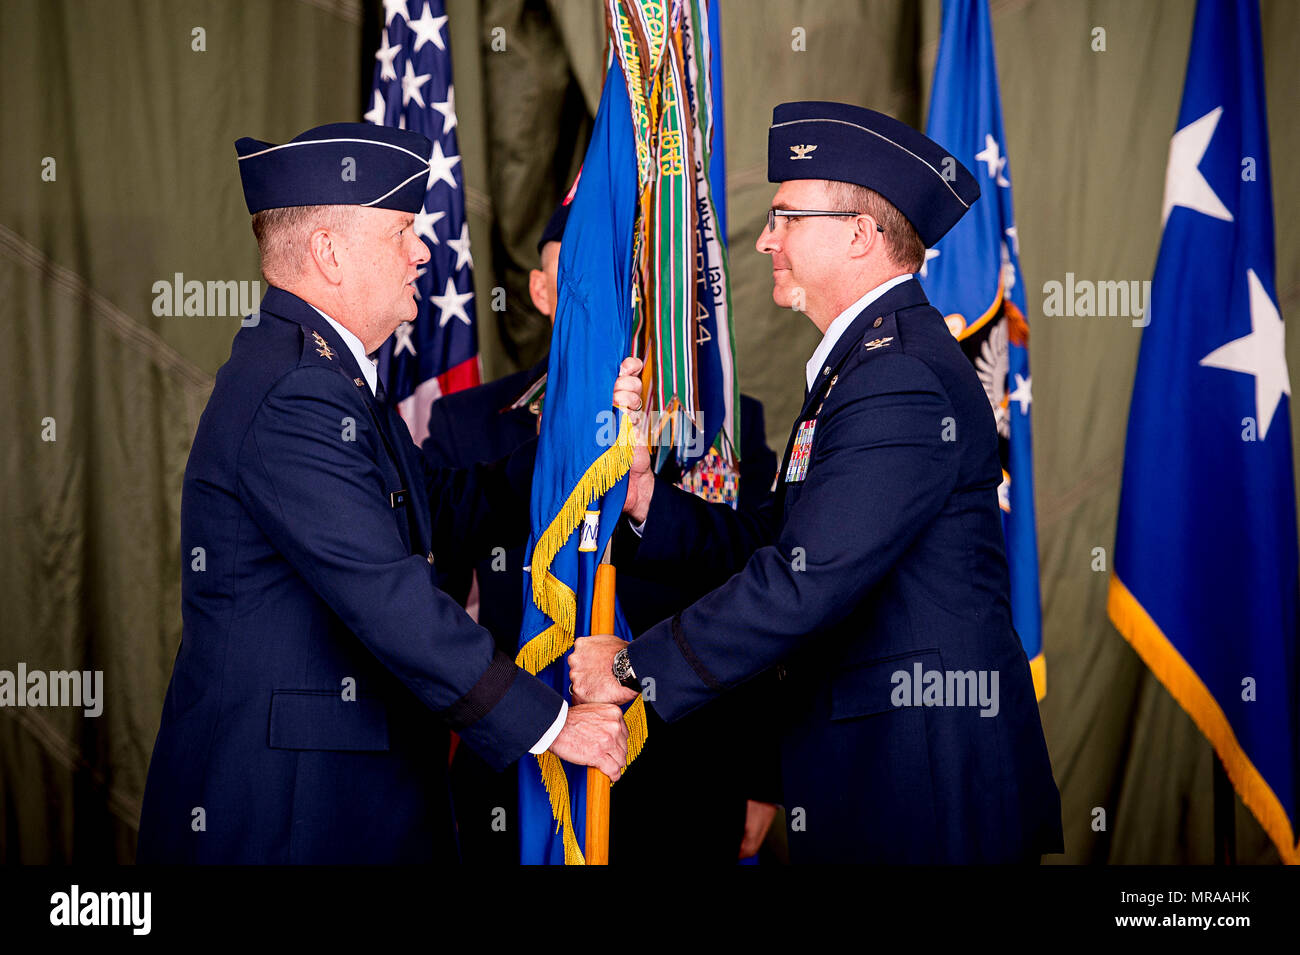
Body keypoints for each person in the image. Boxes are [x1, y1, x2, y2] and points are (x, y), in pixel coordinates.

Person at [569, 102, 1064, 863]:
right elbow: (779, 541)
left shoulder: (894, 375)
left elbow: (803, 584)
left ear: (861, 235)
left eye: (786, 218)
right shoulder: (862, 364)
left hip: (925, 788)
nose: (766, 238)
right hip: (883, 773)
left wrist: (633, 665)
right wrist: (643, 501)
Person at [136, 123, 640, 864]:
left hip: (339, 799)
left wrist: (586, 441)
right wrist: (551, 722)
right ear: (328, 253)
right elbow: (389, 597)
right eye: (403, 230)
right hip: (291, 814)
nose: (422, 250)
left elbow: (446, 505)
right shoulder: (297, 390)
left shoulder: (327, 374)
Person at [424, 200, 782, 864]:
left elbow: (760, 591)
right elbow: (428, 607)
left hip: (678, 763)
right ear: (540, 290)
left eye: (616, 278)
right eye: (577, 276)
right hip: (519, 763)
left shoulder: (724, 422)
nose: (599, 297)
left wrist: (762, 777)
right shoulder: (467, 422)